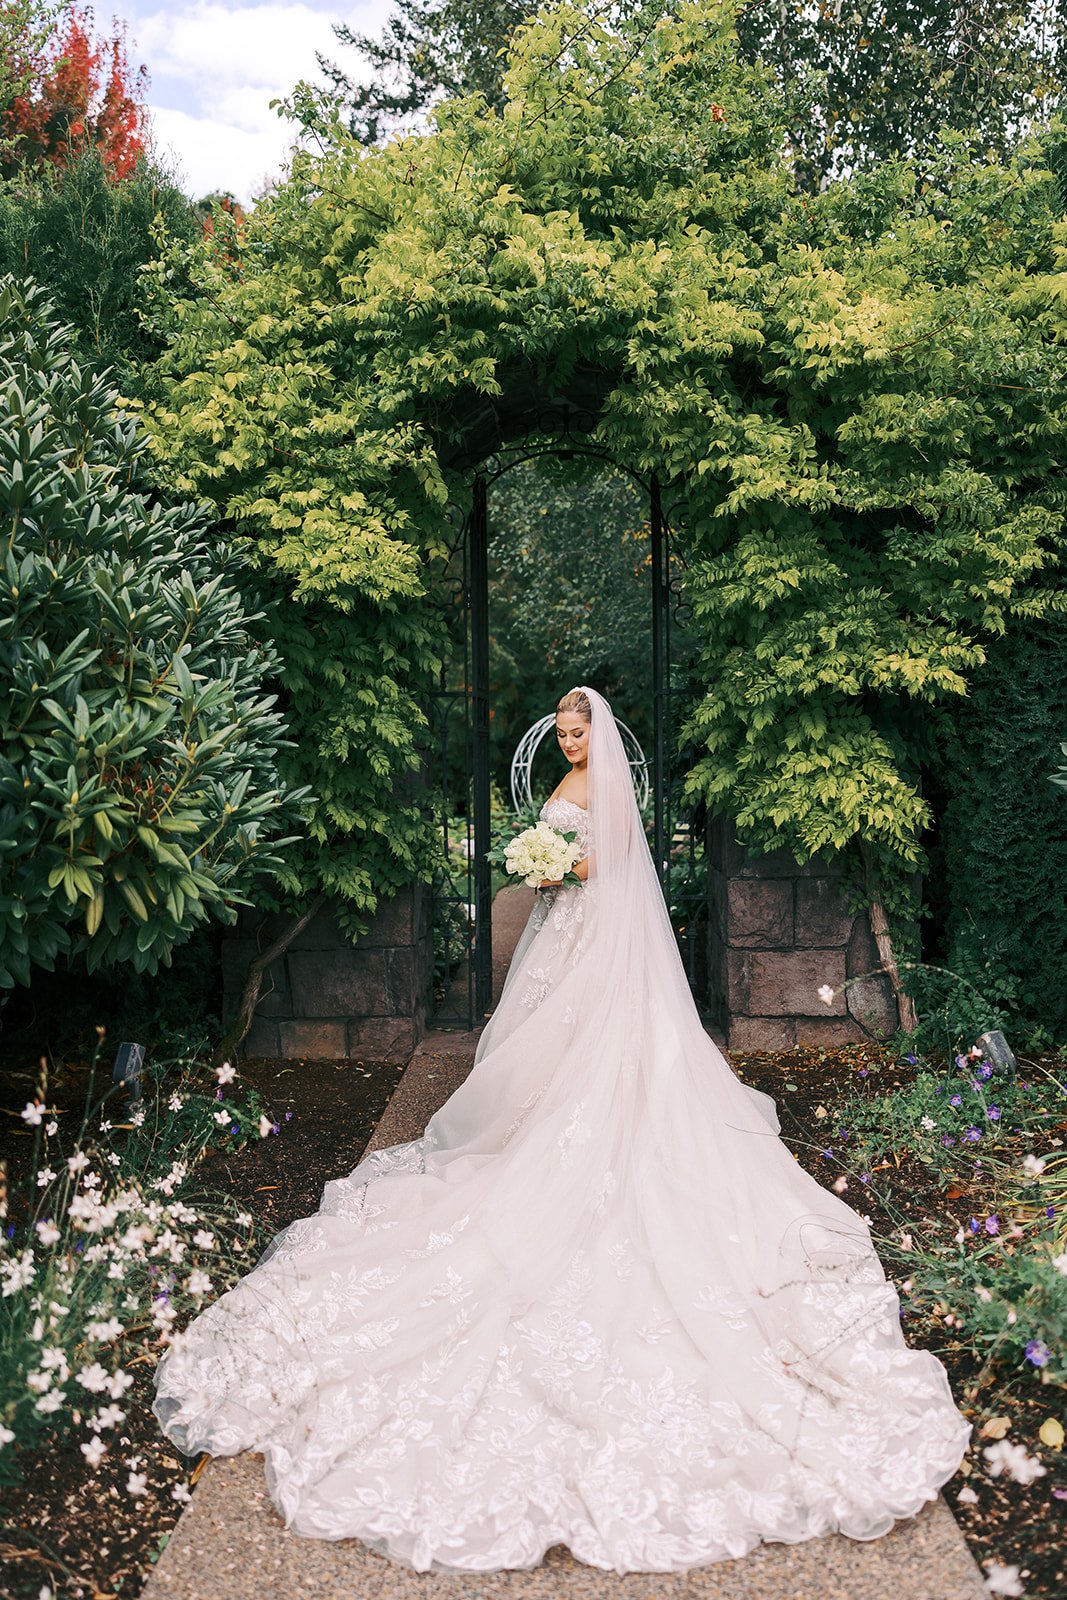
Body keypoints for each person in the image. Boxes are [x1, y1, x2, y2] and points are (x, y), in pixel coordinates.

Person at [153, 685, 971, 1574]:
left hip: (585, 931)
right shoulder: (568, 778)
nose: (571, 741)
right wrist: (544, 869)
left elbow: (607, 866)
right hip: (560, 934)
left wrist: (552, 867)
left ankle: (588, 1139)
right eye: (565, 732)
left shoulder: (604, 792)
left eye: (580, 732)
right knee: (534, 1051)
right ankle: (535, 1126)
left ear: (599, 737)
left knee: (586, 1052)